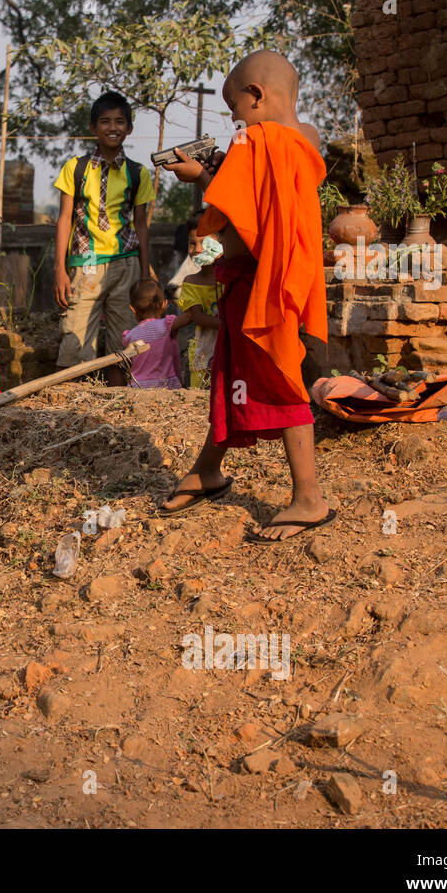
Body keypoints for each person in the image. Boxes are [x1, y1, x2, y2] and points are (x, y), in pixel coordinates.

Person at [158, 51, 335, 543]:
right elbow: (270, 200)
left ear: (256, 95)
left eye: (235, 106)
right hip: (269, 277)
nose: (233, 118)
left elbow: (240, 216)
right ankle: (207, 471)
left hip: (259, 282)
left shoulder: (255, 140)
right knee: (233, 375)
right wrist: (230, 166)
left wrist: (202, 178)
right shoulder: (305, 140)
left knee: (279, 378)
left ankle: (308, 497)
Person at [52, 91, 156, 387]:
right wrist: (59, 270)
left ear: (129, 128)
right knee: (74, 341)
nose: (113, 127)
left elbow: (141, 226)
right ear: (93, 127)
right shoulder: (76, 168)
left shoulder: (137, 172)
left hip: (126, 266)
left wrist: (146, 275)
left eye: (120, 122)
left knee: (123, 346)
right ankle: (68, 404)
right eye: (106, 121)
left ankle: (115, 405)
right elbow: (64, 219)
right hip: (84, 268)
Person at [171, 223, 222, 389]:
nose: (198, 249)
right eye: (192, 243)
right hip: (204, 354)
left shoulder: (232, 280)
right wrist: (232, 326)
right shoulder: (190, 283)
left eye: (204, 243)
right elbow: (199, 318)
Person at [121, 277, 181, 389]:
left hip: (137, 386)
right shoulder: (167, 325)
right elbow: (189, 317)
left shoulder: (129, 336)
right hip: (166, 385)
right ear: (164, 304)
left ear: (132, 309)